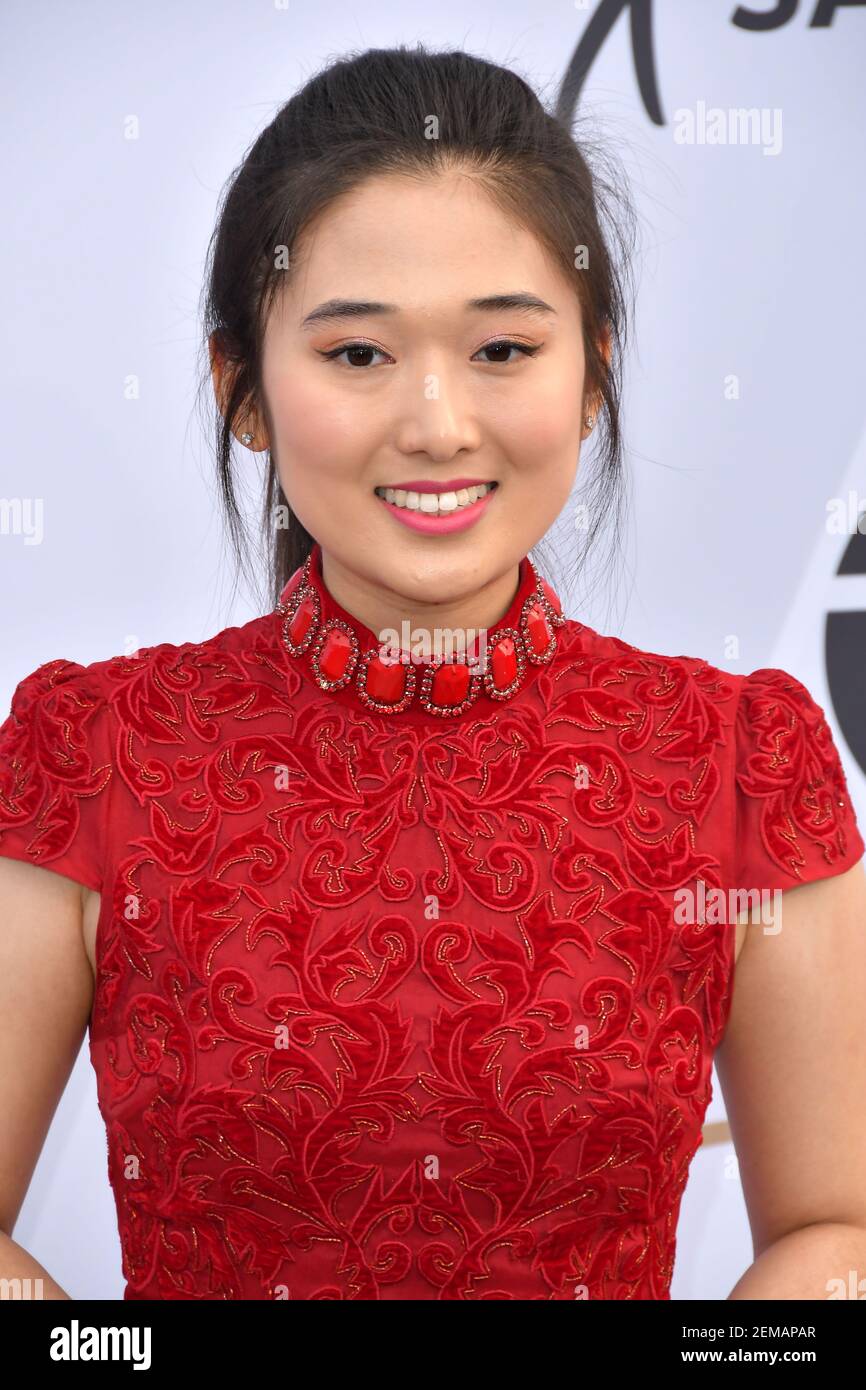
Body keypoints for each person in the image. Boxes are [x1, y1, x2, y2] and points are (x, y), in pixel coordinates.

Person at [1, 44, 864, 1302]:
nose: (437, 423)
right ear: (240, 386)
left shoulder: (734, 761)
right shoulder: (99, 750)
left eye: (503, 351)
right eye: (356, 355)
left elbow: (832, 1235)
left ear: (591, 375)